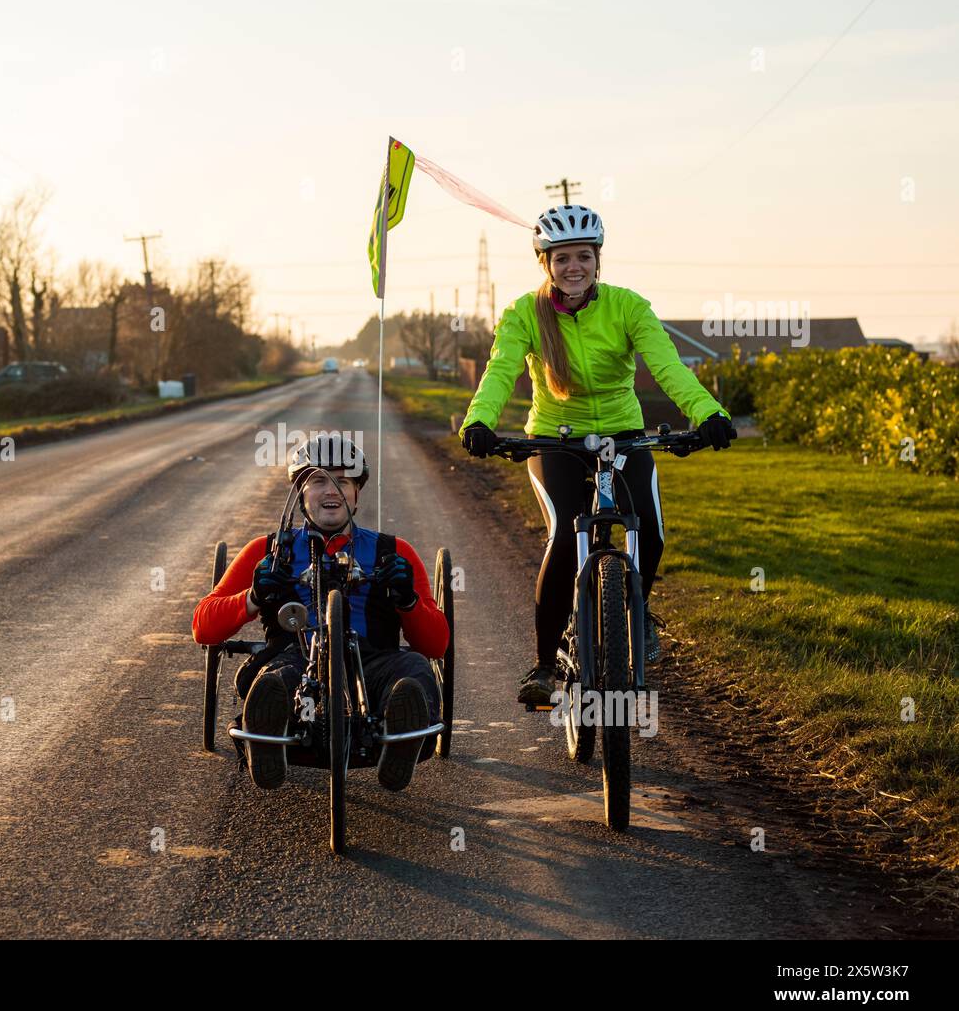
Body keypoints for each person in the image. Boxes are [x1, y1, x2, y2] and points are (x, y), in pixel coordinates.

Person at [458, 204, 736, 708]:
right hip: (553, 441)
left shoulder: (629, 307)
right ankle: (543, 665)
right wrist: (479, 420)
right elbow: (500, 370)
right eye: (562, 258)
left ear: (597, 259)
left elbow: (669, 367)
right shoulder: (524, 313)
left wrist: (708, 412)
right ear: (546, 263)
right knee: (567, 534)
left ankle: (636, 615)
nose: (573, 268)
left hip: (622, 438)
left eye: (583, 257)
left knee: (648, 530)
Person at [192, 434, 448, 792]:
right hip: (294, 661)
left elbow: (436, 645)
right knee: (273, 679)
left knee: (414, 671)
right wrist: (253, 596)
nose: (331, 491)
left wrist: (407, 600)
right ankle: (269, 737)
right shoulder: (267, 550)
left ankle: (398, 740)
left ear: (357, 493)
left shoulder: (395, 551)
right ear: (300, 493)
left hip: (374, 665)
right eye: (317, 480)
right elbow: (204, 627)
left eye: (342, 481)